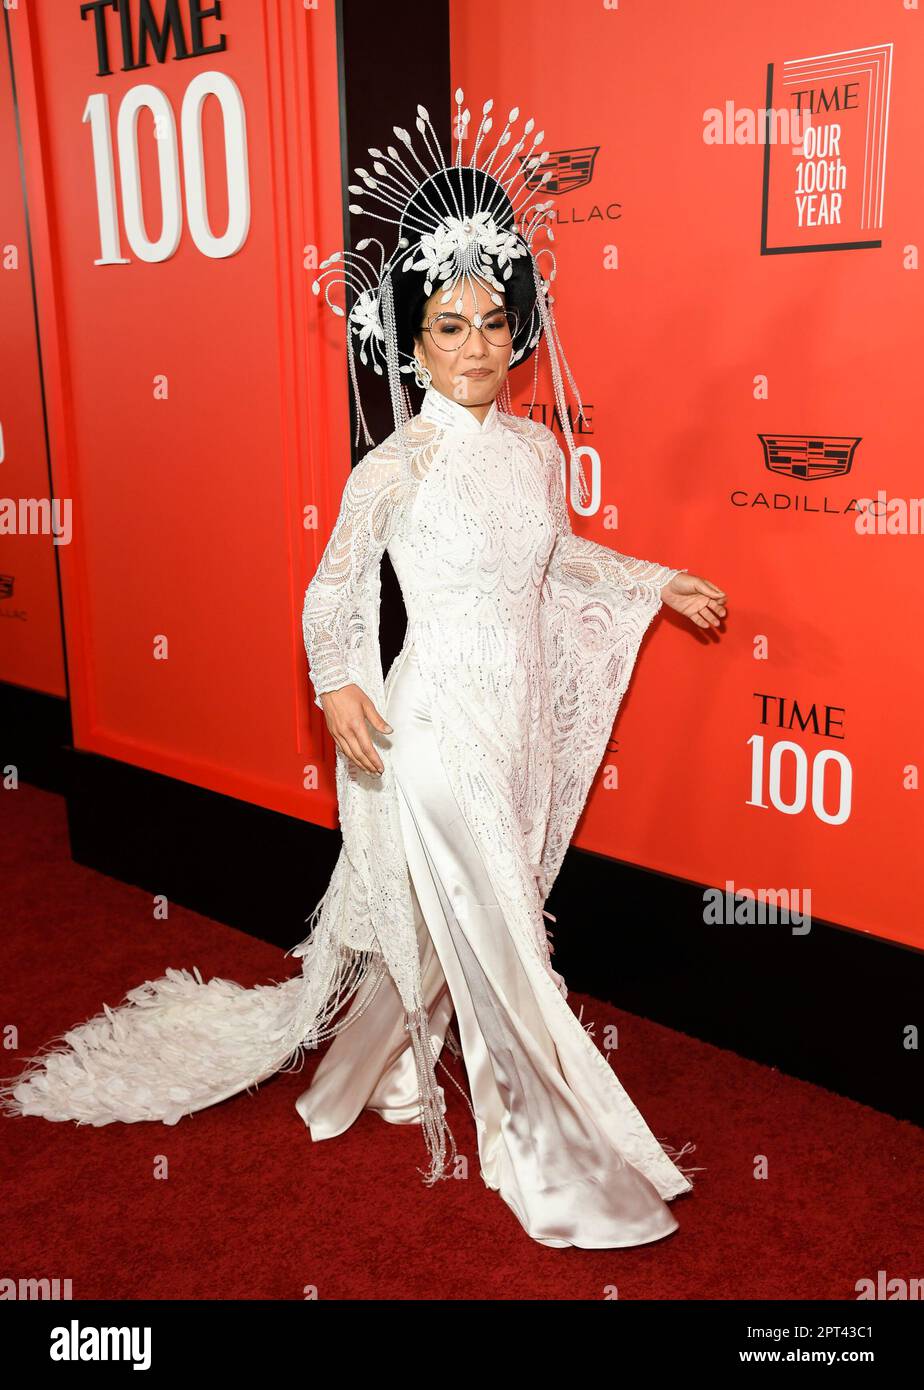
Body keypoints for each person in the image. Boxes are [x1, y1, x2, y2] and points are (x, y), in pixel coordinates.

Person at [1, 92, 724, 1249]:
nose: (477, 345)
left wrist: (654, 579)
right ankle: (564, 1163)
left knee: (468, 918)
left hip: (519, 716)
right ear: (411, 337)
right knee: (501, 938)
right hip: (431, 727)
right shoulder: (391, 466)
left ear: (518, 327)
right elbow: (334, 590)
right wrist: (340, 679)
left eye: (493, 322)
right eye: (450, 326)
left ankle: (369, 1076)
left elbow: (557, 556)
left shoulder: (538, 452)